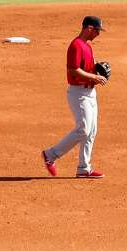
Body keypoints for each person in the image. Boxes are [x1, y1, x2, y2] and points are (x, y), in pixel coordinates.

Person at [41, 15, 108, 179]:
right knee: (83, 129)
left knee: (91, 131)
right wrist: (94, 77)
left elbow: (86, 67)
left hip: (90, 93)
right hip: (78, 93)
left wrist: (96, 70)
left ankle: (84, 168)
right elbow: (73, 70)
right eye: (98, 30)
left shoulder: (87, 46)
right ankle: (50, 154)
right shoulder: (76, 45)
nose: (99, 34)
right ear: (89, 28)